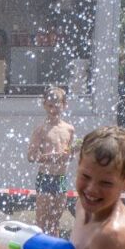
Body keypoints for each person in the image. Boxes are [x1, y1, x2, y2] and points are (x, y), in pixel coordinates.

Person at [28, 87, 76, 235]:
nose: (53, 109)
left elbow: (70, 154)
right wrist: (50, 157)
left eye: (57, 105)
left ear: (64, 105)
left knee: (56, 219)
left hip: (61, 177)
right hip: (45, 177)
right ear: (44, 105)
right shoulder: (41, 130)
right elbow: (30, 156)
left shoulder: (69, 129)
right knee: (42, 219)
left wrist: (72, 152)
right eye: (50, 105)